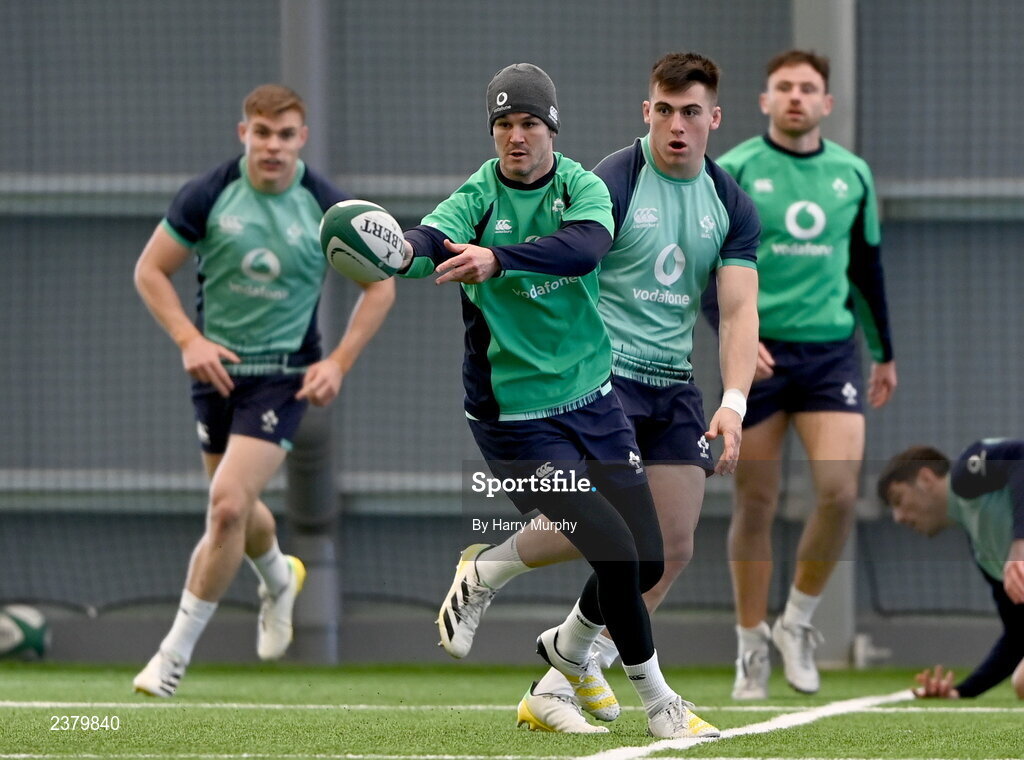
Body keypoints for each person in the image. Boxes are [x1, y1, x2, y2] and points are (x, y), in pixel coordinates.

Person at [432, 53, 760, 733]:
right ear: (647, 112)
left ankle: (564, 657)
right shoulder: (612, 180)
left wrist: (734, 401)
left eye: (690, 112)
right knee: (608, 536)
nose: (676, 125)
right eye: (664, 110)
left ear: (714, 118)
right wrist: (434, 251)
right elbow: (564, 259)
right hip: (598, 380)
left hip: (671, 384)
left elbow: (736, 310)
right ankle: (623, 687)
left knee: (665, 549)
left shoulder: (730, 202)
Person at [131, 84, 395, 697]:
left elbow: (380, 286)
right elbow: (150, 270)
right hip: (216, 375)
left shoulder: (327, 208)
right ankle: (279, 576)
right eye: (262, 133)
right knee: (239, 510)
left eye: (285, 134)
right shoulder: (208, 194)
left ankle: (172, 657)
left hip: (282, 378)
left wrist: (338, 363)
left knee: (225, 506)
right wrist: (189, 340)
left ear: (302, 138)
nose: (273, 146)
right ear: (243, 134)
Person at [705, 49, 898, 699]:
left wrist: (885, 352)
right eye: (784, 87)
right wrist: (736, 338)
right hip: (759, 356)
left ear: (826, 103)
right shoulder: (734, 171)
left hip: (830, 356)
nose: (795, 96)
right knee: (755, 501)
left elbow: (866, 270)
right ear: (765, 101)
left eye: (807, 88)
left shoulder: (853, 175)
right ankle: (749, 646)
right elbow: (708, 267)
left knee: (840, 492)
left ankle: (797, 622)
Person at [877, 440, 1024, 700]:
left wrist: (1020, 547)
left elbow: (1020, 456)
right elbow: (1017, 636)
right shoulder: (984, 551)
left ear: (926, 478)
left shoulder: (965, 475)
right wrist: (959, 692)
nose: (898, 518)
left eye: (898, 500)